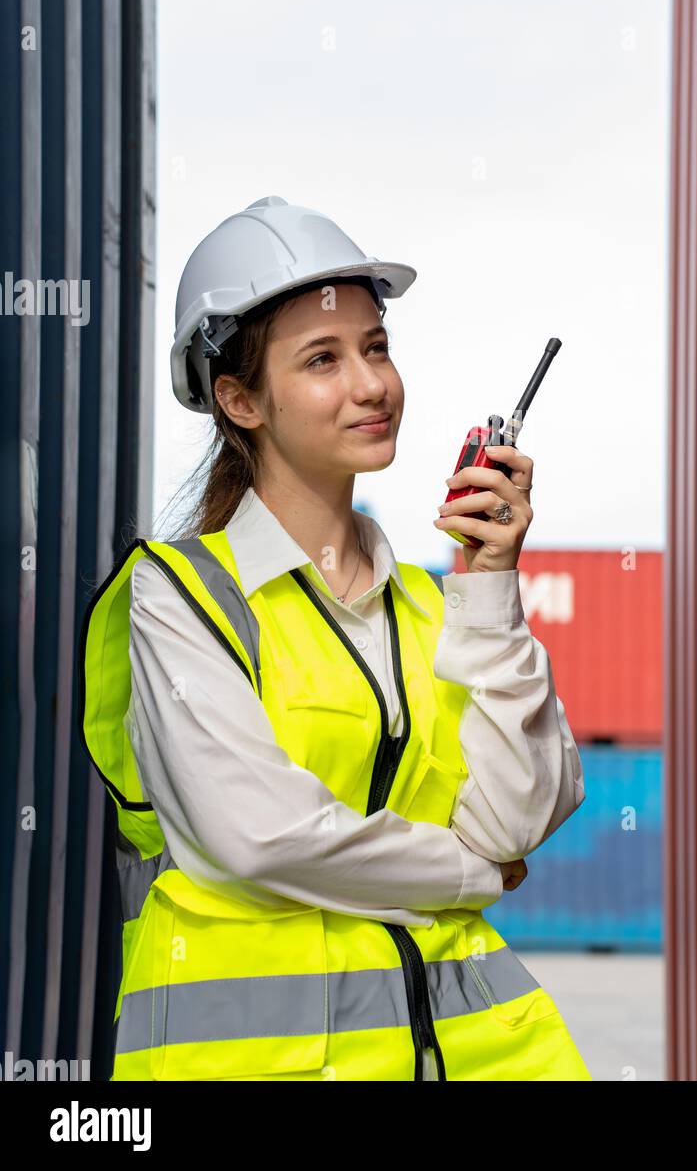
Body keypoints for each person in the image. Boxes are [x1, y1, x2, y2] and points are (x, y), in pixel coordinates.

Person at [78, 196, 591, 1081]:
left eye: (377, 346)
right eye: (324, 359)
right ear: (240, 400)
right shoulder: (182, 596)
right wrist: (472, 874)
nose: (371, 384)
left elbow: (521, 815)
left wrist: (489, 587)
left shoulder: (438, 608)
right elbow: (262, 838)